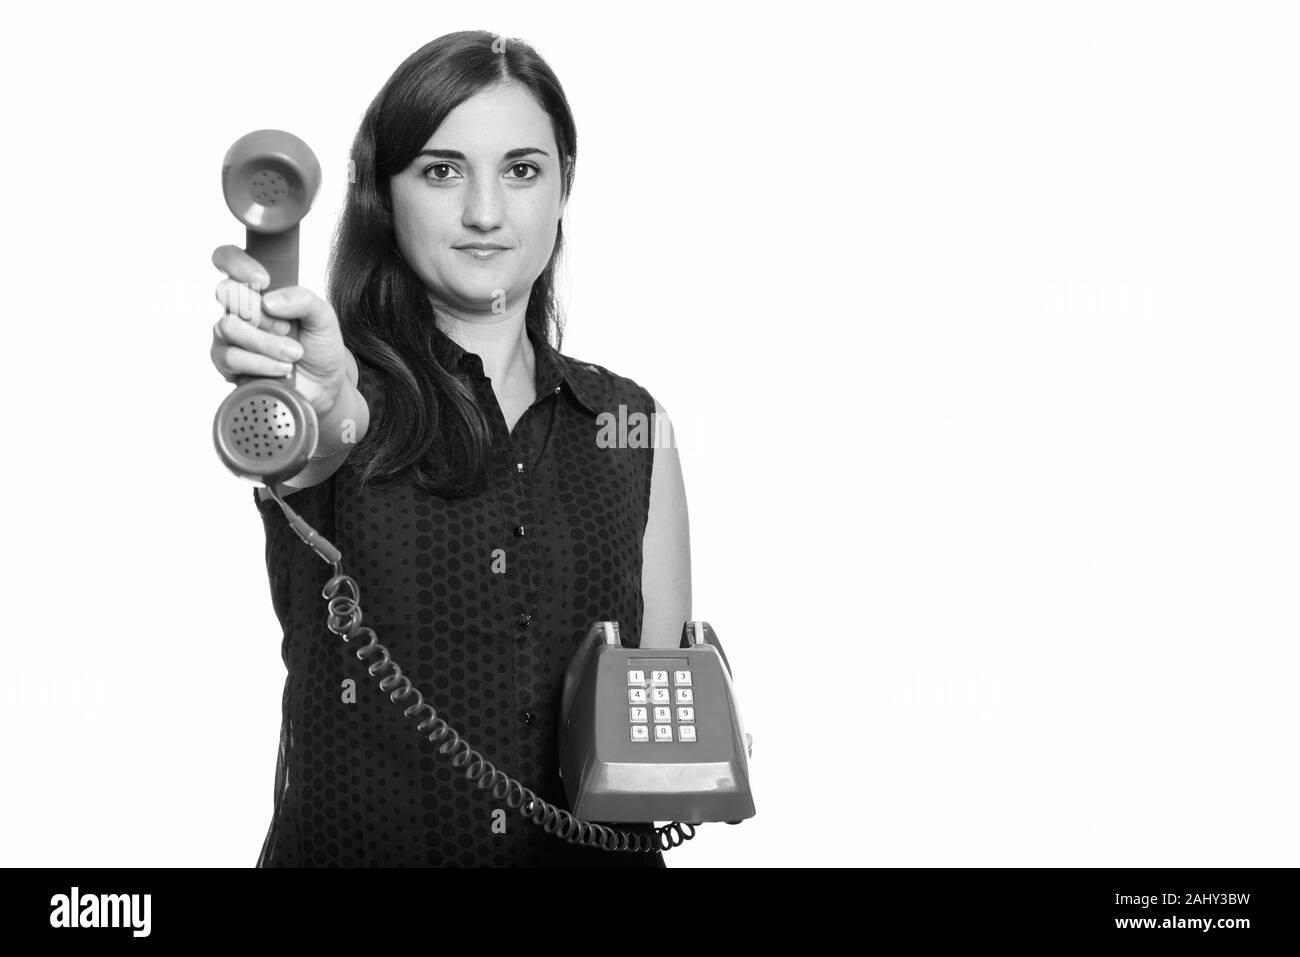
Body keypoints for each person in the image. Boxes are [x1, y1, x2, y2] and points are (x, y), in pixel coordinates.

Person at [208, 31, 691, 867]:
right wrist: (311, 399)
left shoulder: (630, 422)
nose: (484, 211)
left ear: (564, 185)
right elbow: (321, 437)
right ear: (380, 194)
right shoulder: (337, 394)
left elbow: (659, 708)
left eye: (522, 169)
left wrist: (695, 763)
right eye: (440, 170)